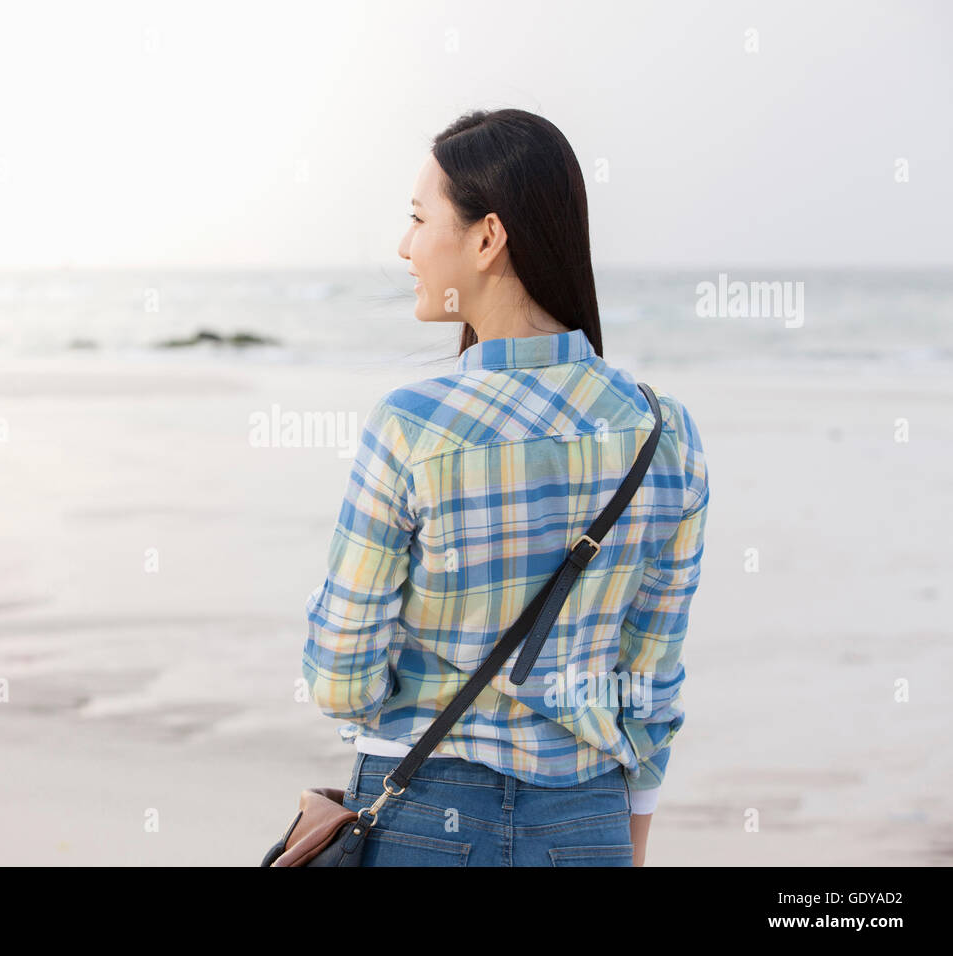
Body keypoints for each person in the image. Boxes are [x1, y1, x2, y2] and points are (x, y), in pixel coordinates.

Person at [300, 109, 709, 866]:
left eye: (420, 220)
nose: (405, 246)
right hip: (588, 823)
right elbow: (652, 685)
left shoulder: (412, 425)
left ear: (488, 238)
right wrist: (627, 843)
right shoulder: (666, 431)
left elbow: (340, 680)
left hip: (418, 816)